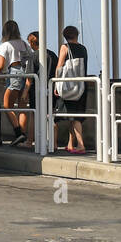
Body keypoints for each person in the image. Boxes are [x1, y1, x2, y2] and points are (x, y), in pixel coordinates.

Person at [0, 21, 33, 147]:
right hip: (26, 74)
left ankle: (18, 133)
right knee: (22, 107)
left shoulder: (5, 45)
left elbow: (0, 66)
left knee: (7, 106)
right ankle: (21, 134)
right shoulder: (24, 44)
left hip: (14, 73)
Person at [54, 26, 88, 154]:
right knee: (74, 116)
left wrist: (56, 84)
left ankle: (80, 145)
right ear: (77, 34)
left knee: (73, 117)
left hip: (69, 86)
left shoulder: (65, 47)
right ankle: (70, 144)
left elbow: (59, 66)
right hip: (81, 86)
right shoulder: (83, 48)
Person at [23, 31, 58, 117]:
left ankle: (35, 131)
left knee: (34, 116)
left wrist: (25, 93)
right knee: (51, 117)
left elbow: (30, 78)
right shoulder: (52, 55)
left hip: (37, 91)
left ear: (31, 43)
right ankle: (51, 131)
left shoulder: (33, 56)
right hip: (51, 89)